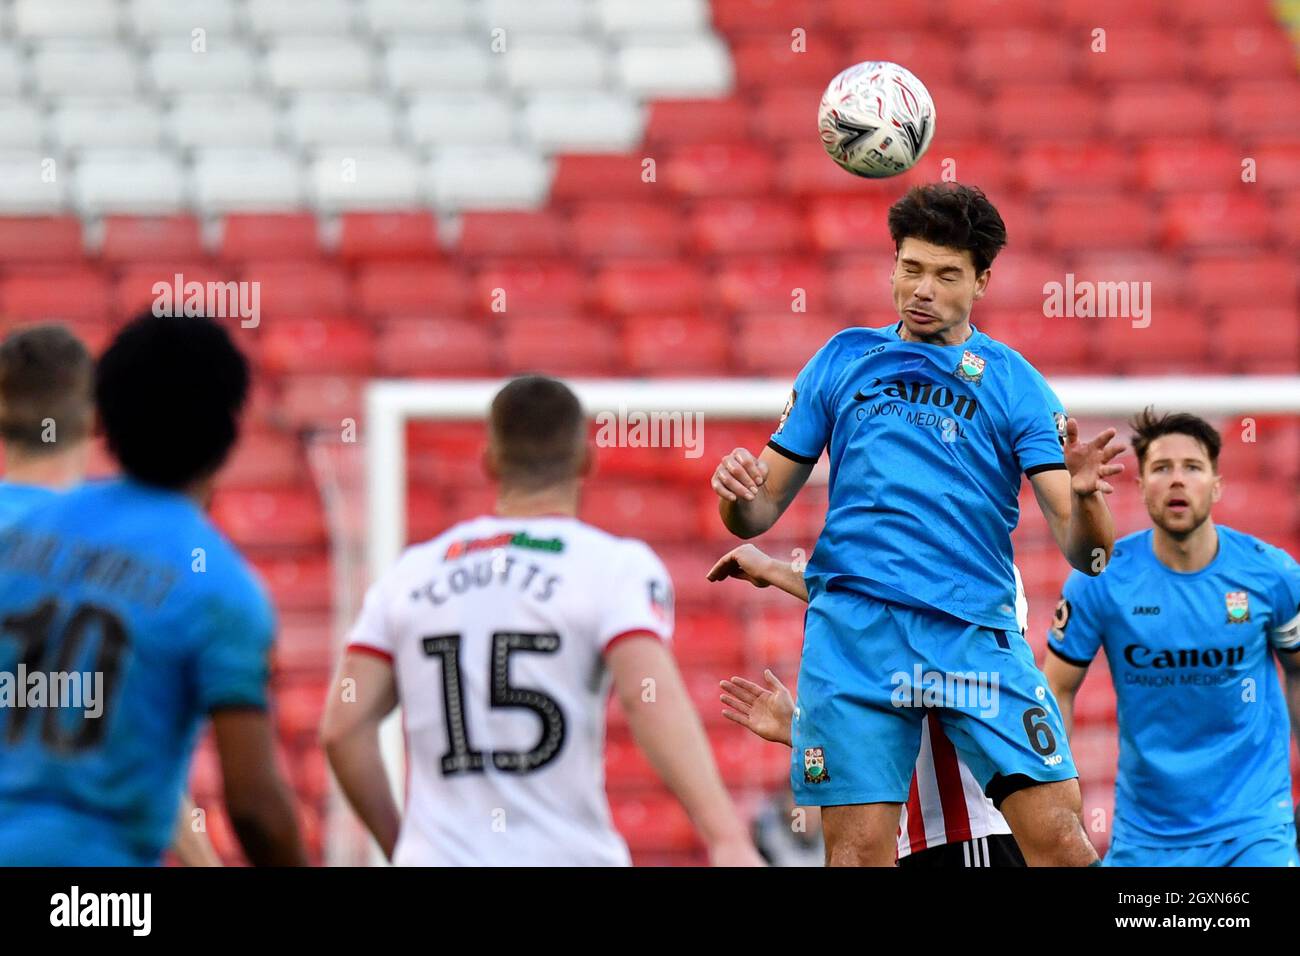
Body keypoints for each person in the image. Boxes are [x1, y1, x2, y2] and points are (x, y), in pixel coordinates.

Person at [710, 182, 1125, 866]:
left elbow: (1091, 557)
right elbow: (755, 510)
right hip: (853, 643)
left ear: (982, 281)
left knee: (1058, 838)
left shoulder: (1016, 383)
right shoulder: (843, 360)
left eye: (946, 274)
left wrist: (1085, 498)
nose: (922, 289)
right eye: (910, 267)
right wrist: (735, 494)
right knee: (856, 854)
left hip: (972, 637)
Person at [322, 374, 763, 866]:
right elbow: (647, 697)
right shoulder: (611, 566)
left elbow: (343, 728)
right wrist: (727, 836)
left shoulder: (412, 573)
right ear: (585, 459)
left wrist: (402, 843)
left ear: (490, 460)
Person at [0, 312, 306, 866]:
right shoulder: (220, 587)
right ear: (229, 432)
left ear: (102, 422)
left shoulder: (20, 538)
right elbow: (255, 807)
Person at [1043, 408, 1300, 866]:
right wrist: (1061, 807)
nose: (1177, 480)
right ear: (1141, 487)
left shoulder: (1272, 574)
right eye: (1161, 468)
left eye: (1192, 467)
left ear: (1216, 484)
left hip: (1254, 828)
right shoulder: (1100, 580)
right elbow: (1057, 688)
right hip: (1147, 837)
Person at [711, 543, 1028, 867]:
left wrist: (772, 570)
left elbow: (885, 606)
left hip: (974, 834)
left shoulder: (988, 566)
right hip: (917, 842)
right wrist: (801, 731)